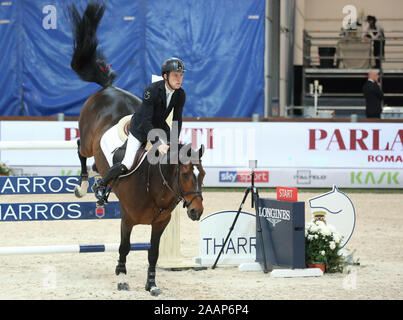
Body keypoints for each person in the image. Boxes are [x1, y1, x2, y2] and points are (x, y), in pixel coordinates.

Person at [93, 57, 186, 205]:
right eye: (175, 75)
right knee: (128, 163)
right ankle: (101, 184)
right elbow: (146, 121)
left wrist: (173, 142)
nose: (179, 78)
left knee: (174, 156)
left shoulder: (180, 94)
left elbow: (176, 121)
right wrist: (157, 143)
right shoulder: (152, 91)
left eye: (181, 75)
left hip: (160, 126)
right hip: (141, 127)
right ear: (165, 76)